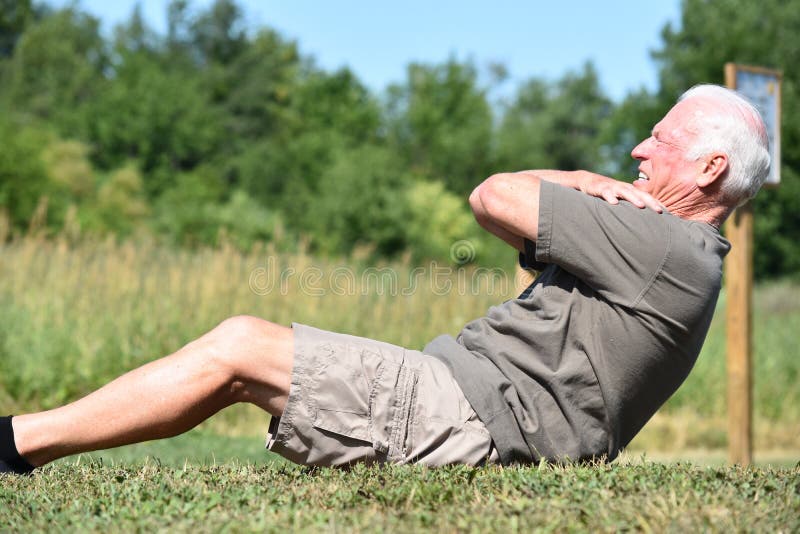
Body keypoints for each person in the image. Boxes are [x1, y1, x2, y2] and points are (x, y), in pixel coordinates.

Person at [1, 84, 770, 474]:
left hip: (476, 419)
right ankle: (22, 445)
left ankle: (12, 445)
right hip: (472, 405)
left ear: (709, 169)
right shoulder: (671, 252)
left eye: (661, 141)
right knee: (242, 362)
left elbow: (493, 196)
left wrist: (580, 179)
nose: (639, 151)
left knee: (239, 347)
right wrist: (585, 189)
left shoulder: (664, 244)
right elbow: (513, 227)